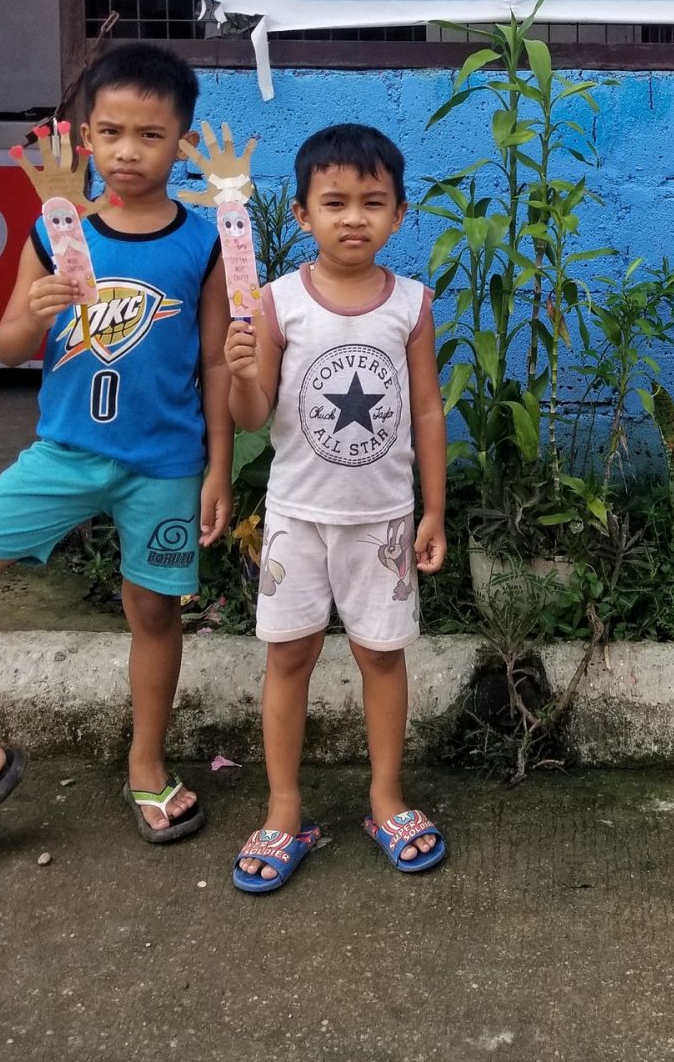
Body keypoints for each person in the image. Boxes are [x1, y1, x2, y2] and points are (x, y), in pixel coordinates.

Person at [0, 44, 232, 878]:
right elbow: (6, 346)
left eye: (150, 135)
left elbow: (215, 363)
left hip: (164, 464)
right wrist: (35, 309)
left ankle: (147, 764)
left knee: (153, 611)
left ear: (181, 142)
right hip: (62, 455)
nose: (128, 151)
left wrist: (219, 468)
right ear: (85, 135)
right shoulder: (57, 230)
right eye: (111, 131)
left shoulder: (202, 244)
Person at [225, 123, 447, 893]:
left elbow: (427, 410)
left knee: (381, 655)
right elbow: (253, 414)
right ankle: (284, 806)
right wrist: (240, 372)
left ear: (400, 214)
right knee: (288, 656)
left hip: (383, 522)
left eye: (373, 202)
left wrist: (433, 508)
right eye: (335, 202)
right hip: (297, 518)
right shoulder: (276, 302)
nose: (354, 217)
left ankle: (386, 797)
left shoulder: (411, 305)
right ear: (301, 214)